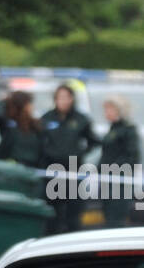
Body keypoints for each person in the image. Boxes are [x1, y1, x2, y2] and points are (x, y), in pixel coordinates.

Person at [40, 84, 100, 233]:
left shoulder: (81, 119)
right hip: (52, 172)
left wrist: (80, 152)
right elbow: (38, 141)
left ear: (72, 99)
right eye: (60, 97)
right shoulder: (46, 118)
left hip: (74, 171)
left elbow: (94, 141)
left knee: (74, 215)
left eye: (67, 97)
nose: (64, 101)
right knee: (53, 216)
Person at [98, 96, 144, 229]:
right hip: (107, 181)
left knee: (116, 219)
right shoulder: (113, 128)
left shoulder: (128, 129)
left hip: (119, 182)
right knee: (108, 217)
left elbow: (132, 156)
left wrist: (113, 169)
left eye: (110, 109)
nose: (106, 113)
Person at [0, 91, 45, 169]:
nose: (32, 107)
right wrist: (4, 100)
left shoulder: (34, 125)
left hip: (34, 171)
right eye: (29, 103)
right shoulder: (10, 127)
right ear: (23, 106)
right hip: (18, 172)